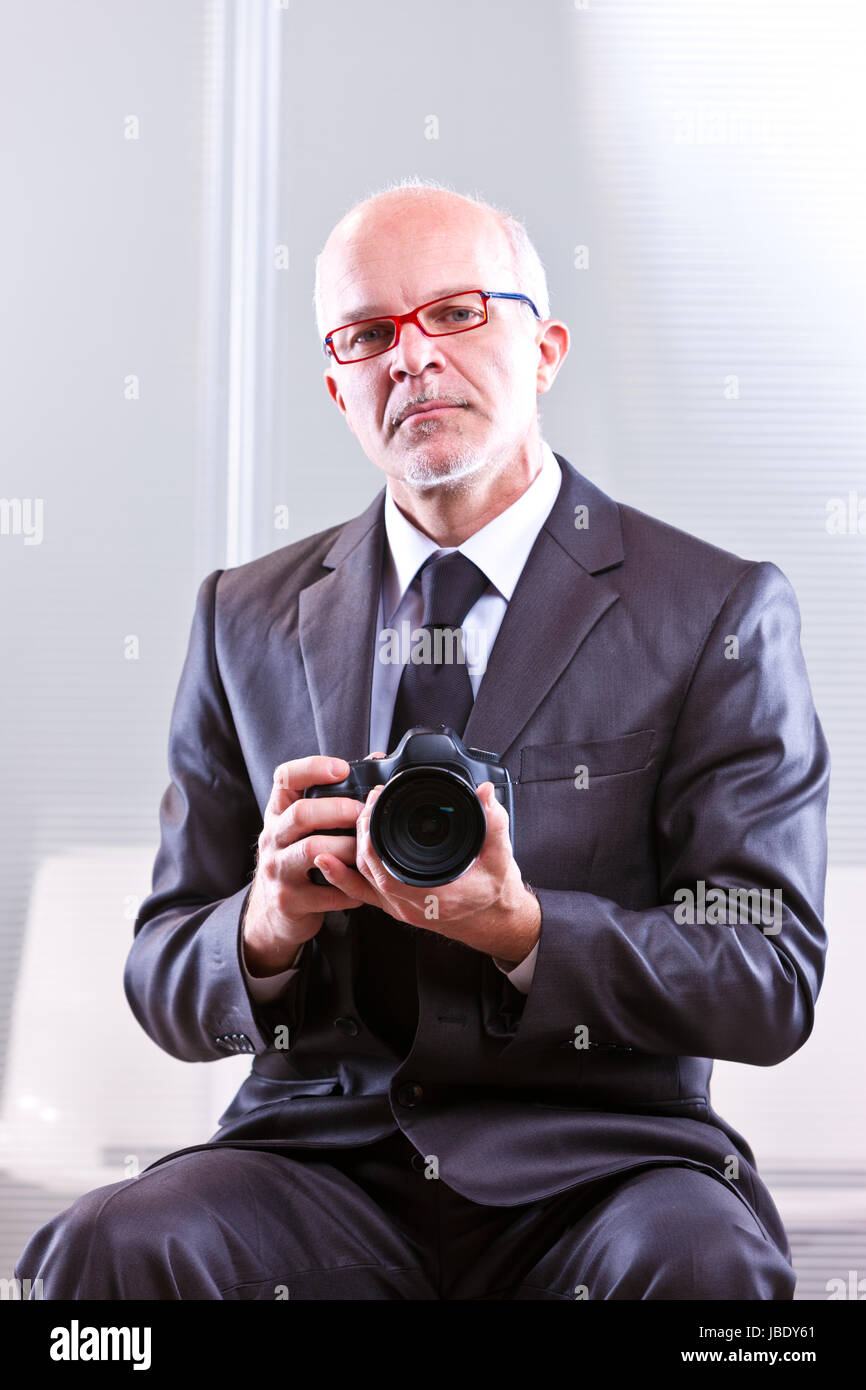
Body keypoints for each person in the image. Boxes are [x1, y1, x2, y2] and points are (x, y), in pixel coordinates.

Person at [15, 177, 829, 1300]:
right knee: (107, 1249)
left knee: (703, 1275)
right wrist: (260, 927)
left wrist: (525, 930)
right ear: (337, 386)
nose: (411, 357)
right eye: (365, 334)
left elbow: (768, 974)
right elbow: (163, 965)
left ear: (542, 348)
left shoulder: (711, 610)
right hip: (313, 1163)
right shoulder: (240, 617)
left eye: (455, 311)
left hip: (603, 1167)